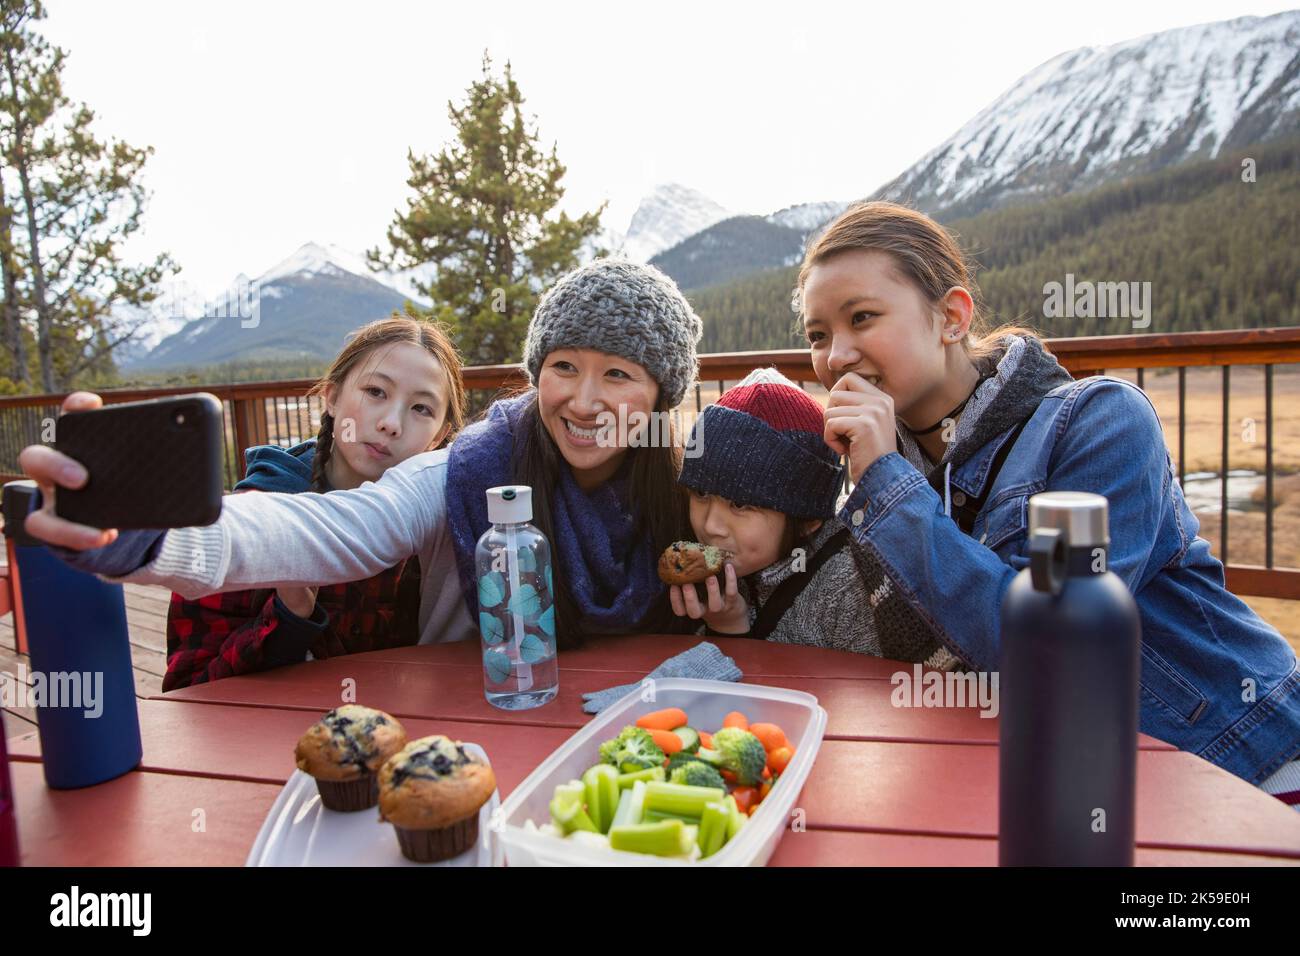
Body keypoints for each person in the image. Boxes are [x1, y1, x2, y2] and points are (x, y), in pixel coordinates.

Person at [799, 200, 1300, 803]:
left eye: (863, 317)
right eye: (818, 335)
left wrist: (885, 483)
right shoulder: (894, 468)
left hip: (1237, 765)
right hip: (1069, 787)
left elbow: (1054, 649)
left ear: (952, 317)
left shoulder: (1099, 421)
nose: (837, 356)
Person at [17, 258, 699, 653]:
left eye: (617, 374)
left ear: (659, 392)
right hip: (485, 735)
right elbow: (327, 528)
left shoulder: (685, 490)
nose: (581, 400)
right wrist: (147, 533)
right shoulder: (471, 471)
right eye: (564, 366)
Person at [162, 314, 464, 689]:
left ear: (439, 437)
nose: (391, 423)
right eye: (376, 392)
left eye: (421, 409)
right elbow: (188, 686)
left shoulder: (439, 527)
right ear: (333, 397)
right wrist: (288, 616)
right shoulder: (251, 520)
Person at [666, 367, 956, 669]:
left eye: (739, 504)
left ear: (807, 520)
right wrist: (727, 625)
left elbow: (875, 699)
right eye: (700, 494)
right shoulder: (718, 572)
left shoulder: (847, 586)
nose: (710, 525)